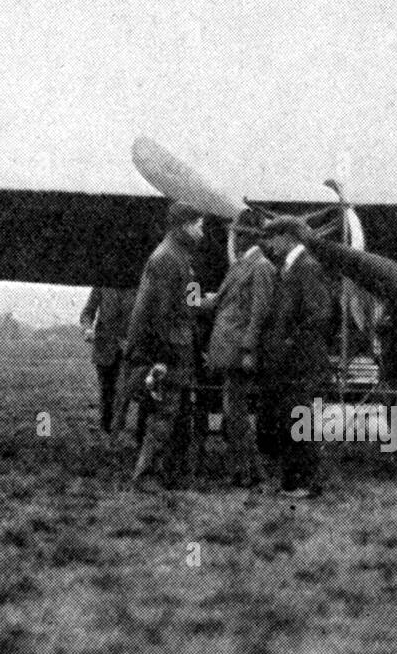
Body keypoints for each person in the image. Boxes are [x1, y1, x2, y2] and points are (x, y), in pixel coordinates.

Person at [124, 202, 205, 489]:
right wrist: (163, 356)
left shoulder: (174, 255)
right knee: (164, 412)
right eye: (198, 225)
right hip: (168, 348)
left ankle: (165, 472)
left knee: (171, 412)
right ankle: (146, 476)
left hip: (173, 345)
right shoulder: (169, 258)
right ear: (184, 225)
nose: (201, 232)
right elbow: (160, 311)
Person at [263, 234, 334, 496]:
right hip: (297, 358)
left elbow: (320, 313)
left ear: (287, 238)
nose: (268, 245)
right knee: (297, 417)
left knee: (300, 416)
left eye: (272, 238)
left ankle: (302, 482)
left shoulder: (306, 268)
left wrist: (291, 341)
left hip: (302, 359)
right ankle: (297, 481)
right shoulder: (299, 267)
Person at [206, 235, 277, 487]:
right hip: (229, 349)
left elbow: (260, 313)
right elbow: (224, 301)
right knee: (234, 412)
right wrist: (196, 300)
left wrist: (248, 349)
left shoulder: (261, 267)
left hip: (237, 351)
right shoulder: (243, 265)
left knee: (236, 413)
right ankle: (248, 471)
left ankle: (247, 471)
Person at [79, 286, 136, 440]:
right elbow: (87, 312)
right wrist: (87, 329)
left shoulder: (137, 285)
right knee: (106, 390)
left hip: (127, 349)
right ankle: (106, 430)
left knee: (123, 391)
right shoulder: (101, 285)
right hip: (104, 346)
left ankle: (116, 429)